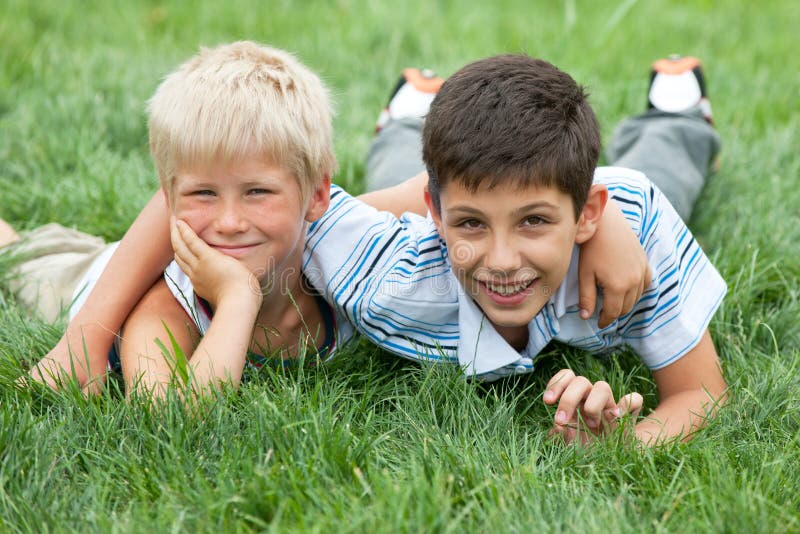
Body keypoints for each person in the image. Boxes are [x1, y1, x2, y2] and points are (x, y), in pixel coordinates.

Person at [11, 42, 647, 396]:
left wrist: (610, 223)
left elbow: (443, 189)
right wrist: (233, 299)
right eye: (204, 194)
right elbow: (172, 422)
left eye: (257, 192)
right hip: (87, 277)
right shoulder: (164, 311)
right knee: (29, 257)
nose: (229, 222)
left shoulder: (329, 240)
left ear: (315, 197)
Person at [297, 54, 726, 445]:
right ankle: (409, 118)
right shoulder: (400, 266)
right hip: (481, 205)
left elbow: (701, 393)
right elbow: (311, 221)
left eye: (533, 221)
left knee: (666, 172)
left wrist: (621, 445)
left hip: (611, 206)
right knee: (413, 179)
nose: (502, 262)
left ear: (588, 214)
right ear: (436, 215)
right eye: (470, 223)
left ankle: (678, 116)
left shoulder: (639, 229)